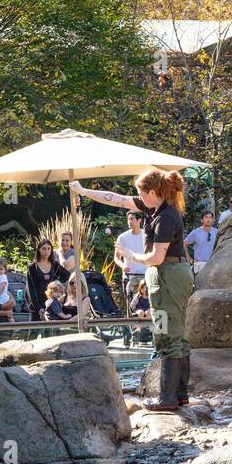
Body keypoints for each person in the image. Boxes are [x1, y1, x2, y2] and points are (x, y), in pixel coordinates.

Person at [72, 170, 193, 411]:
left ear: (152, 192)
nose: (137, 198)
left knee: (167, 332)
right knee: (175, 332)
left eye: (140, 193)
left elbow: (156, 257)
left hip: (168, 276)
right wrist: (83, 191)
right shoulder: (154, 208)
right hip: (171, 275)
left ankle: (168, 398)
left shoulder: (166, 216)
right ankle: (179, 395)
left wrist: (129, 255)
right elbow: (116, 199)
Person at [25, 238, 69, 321]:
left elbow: (66, 275)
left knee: (52, 330)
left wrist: (57, 283)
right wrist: (38, 308)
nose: (46, 251)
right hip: (36, 303)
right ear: (39, 250)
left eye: (49, 249)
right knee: (34, 330)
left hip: (51, 302)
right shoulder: (32, 267)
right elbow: (31, 290)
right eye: (44, 249)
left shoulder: (54, 265)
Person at [115, 210, 147, 314]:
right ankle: (132, 326)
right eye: (128, 219)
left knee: (147, 303)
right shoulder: (122, 237)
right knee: (132, 304)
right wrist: (123, 265)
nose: (129, 221)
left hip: (145, 275)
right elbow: (116, 258)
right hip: (130, 276)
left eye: (132, 219)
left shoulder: (146, 236)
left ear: (139, 220)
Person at [185, 212, 217, 276]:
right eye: (206, 217)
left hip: (213, 265)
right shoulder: (195, 232)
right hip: (199, 266)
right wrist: (188, 258)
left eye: (210, 217)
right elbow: (184, 243)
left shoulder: (217, 232)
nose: (209, 219)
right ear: (202, 220)